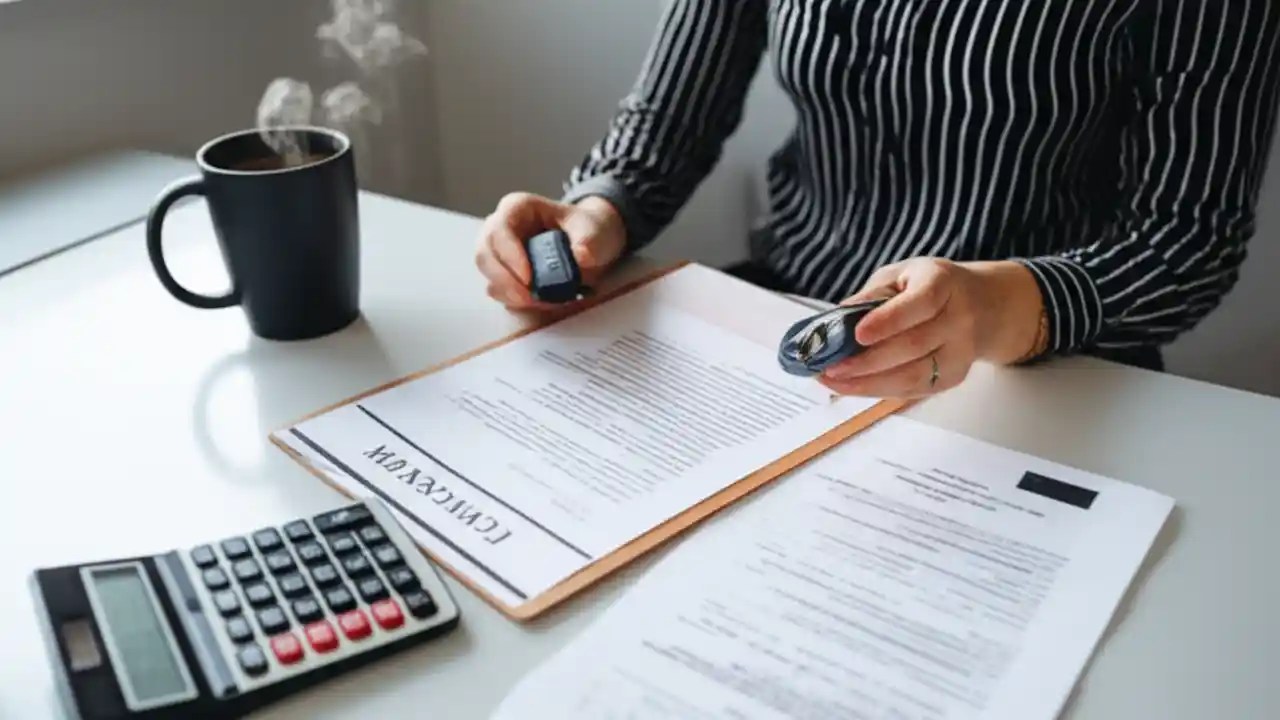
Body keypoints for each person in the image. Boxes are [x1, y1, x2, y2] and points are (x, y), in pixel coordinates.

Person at [475, 0, 1280, 399]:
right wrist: (599, 212)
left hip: (1037, 372)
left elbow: (1189, 235)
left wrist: (994, 305)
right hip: (783, 321)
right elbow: (675, 111)